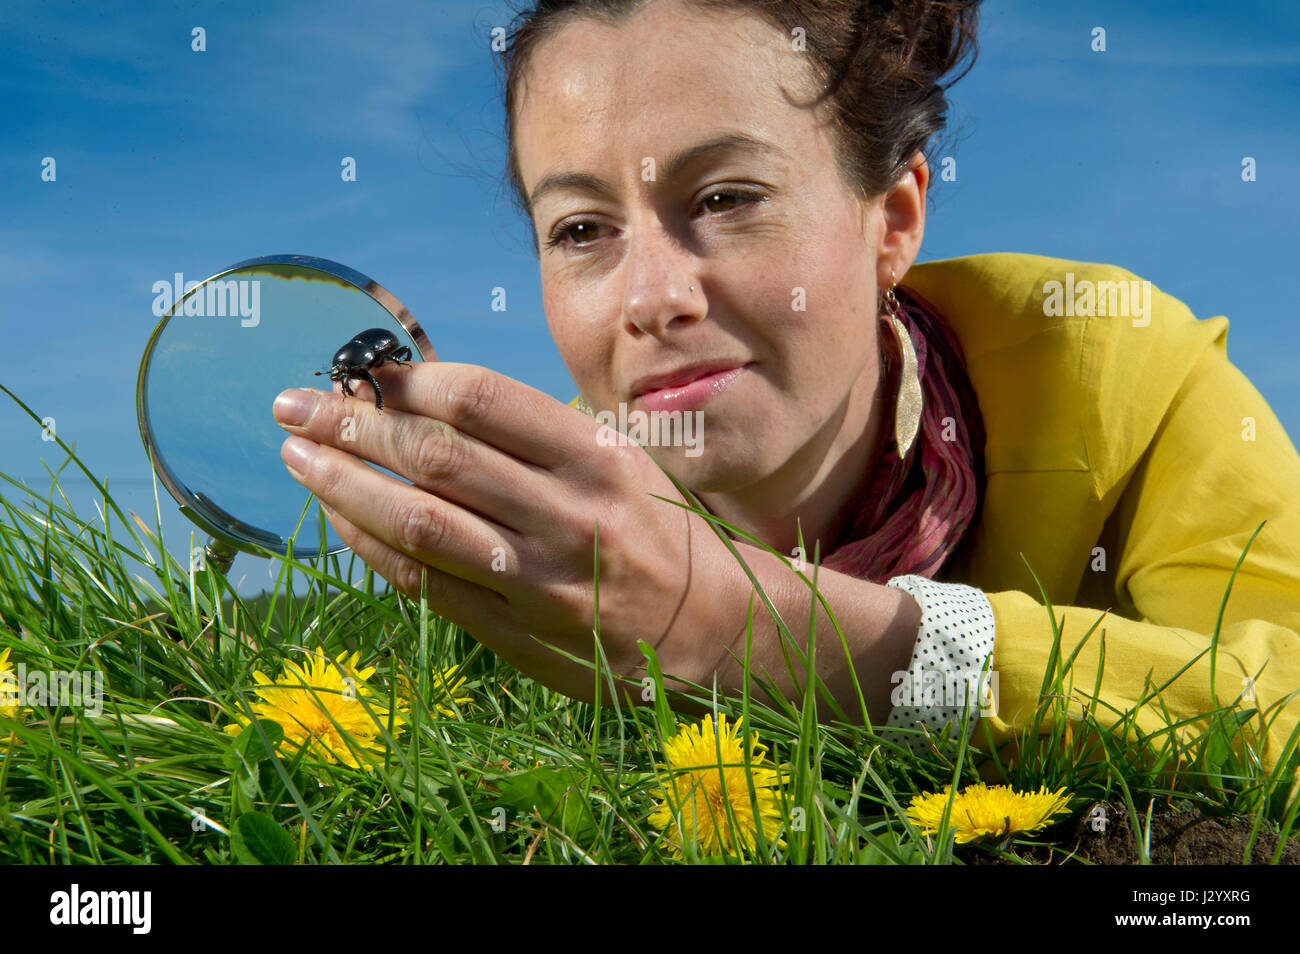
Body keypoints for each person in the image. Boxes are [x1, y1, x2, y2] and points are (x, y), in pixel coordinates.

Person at [270, 0, 1300, 775]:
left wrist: (753, 631)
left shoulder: (1116, 374)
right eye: (582, 229)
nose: (653, 298)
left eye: (725, 198)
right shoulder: (527, 542)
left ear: (891, 220)